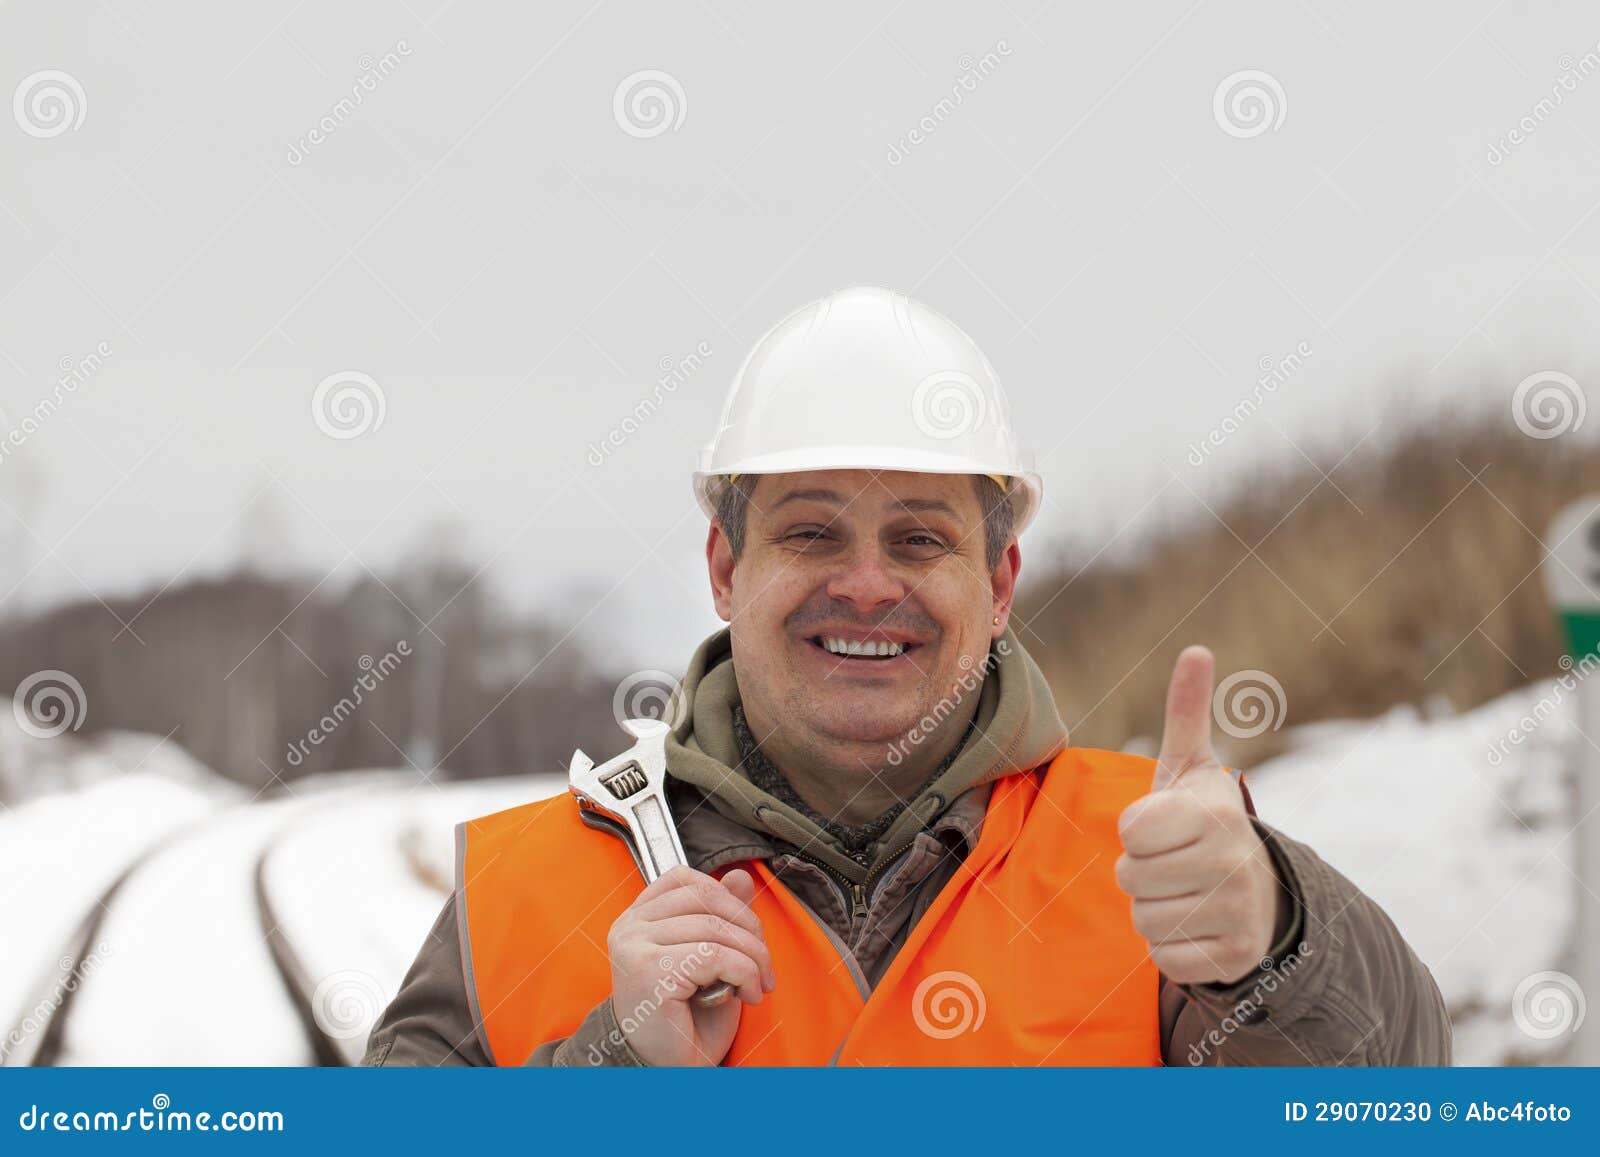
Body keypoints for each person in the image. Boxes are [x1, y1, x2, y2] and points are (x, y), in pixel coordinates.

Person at [364, 285, 1450, 1066]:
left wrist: (1274, 946)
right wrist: (614, 1075)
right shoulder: (522, 885)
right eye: (812, 533)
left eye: (921, 539)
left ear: (1001, 578)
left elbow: (1405, 1102)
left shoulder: (1165, 857)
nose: (868, 586)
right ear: (725, 567)